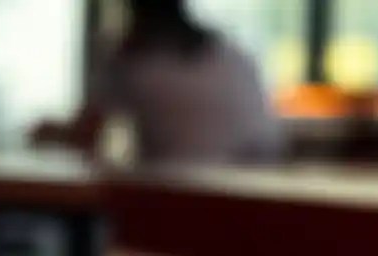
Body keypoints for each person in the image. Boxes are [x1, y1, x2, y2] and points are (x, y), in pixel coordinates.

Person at [33, 0, 283, 164]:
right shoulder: (229, 52)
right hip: (257, 190)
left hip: (186, 201)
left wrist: (44, 132)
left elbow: (84, 137)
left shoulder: (134, 59)